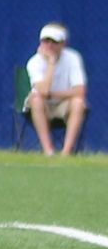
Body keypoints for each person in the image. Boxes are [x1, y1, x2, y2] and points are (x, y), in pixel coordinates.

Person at [25, 23, 87, 156]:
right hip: (42, 106)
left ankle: (66, 153)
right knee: (36, 100)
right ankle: (49, 151)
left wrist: (51, 94)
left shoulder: (73, 58)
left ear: (63, 44)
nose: (49, 45)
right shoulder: (34, 62)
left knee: (78, 102)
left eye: (54, 42)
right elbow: (42, 90)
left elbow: (80, 91)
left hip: (64, 104)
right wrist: (52, 62)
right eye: (45, 41)